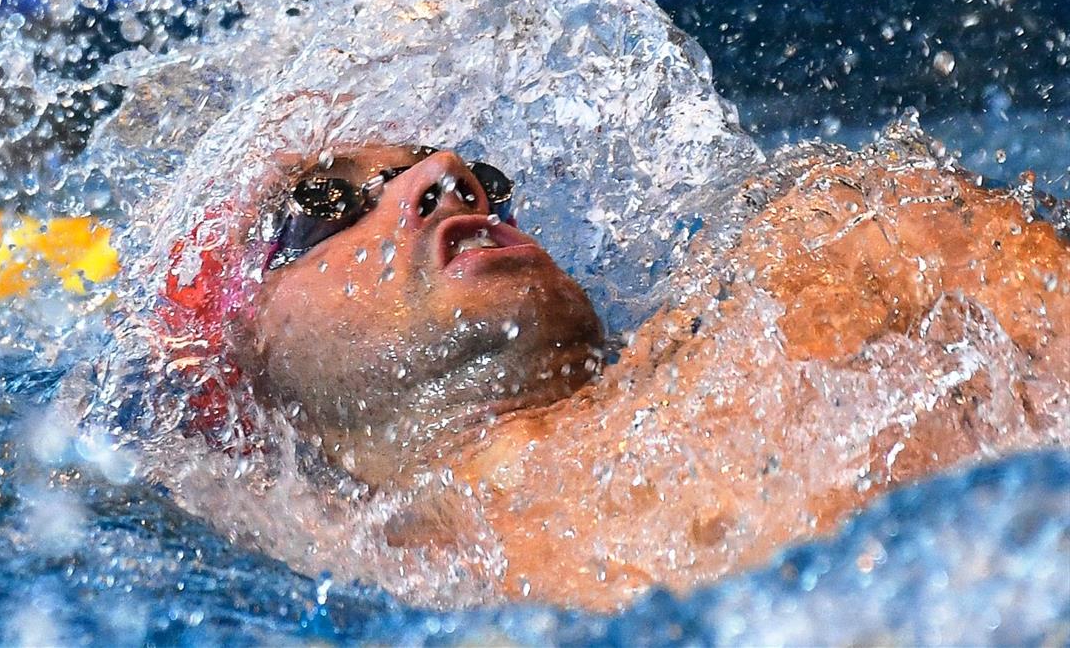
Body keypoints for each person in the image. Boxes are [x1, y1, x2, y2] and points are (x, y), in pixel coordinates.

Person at [156, 140, 1070, 610]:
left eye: (479, 176)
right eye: (326, 206)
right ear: (239, 361)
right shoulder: (292, 567)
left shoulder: (850, 266)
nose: (447, 174)